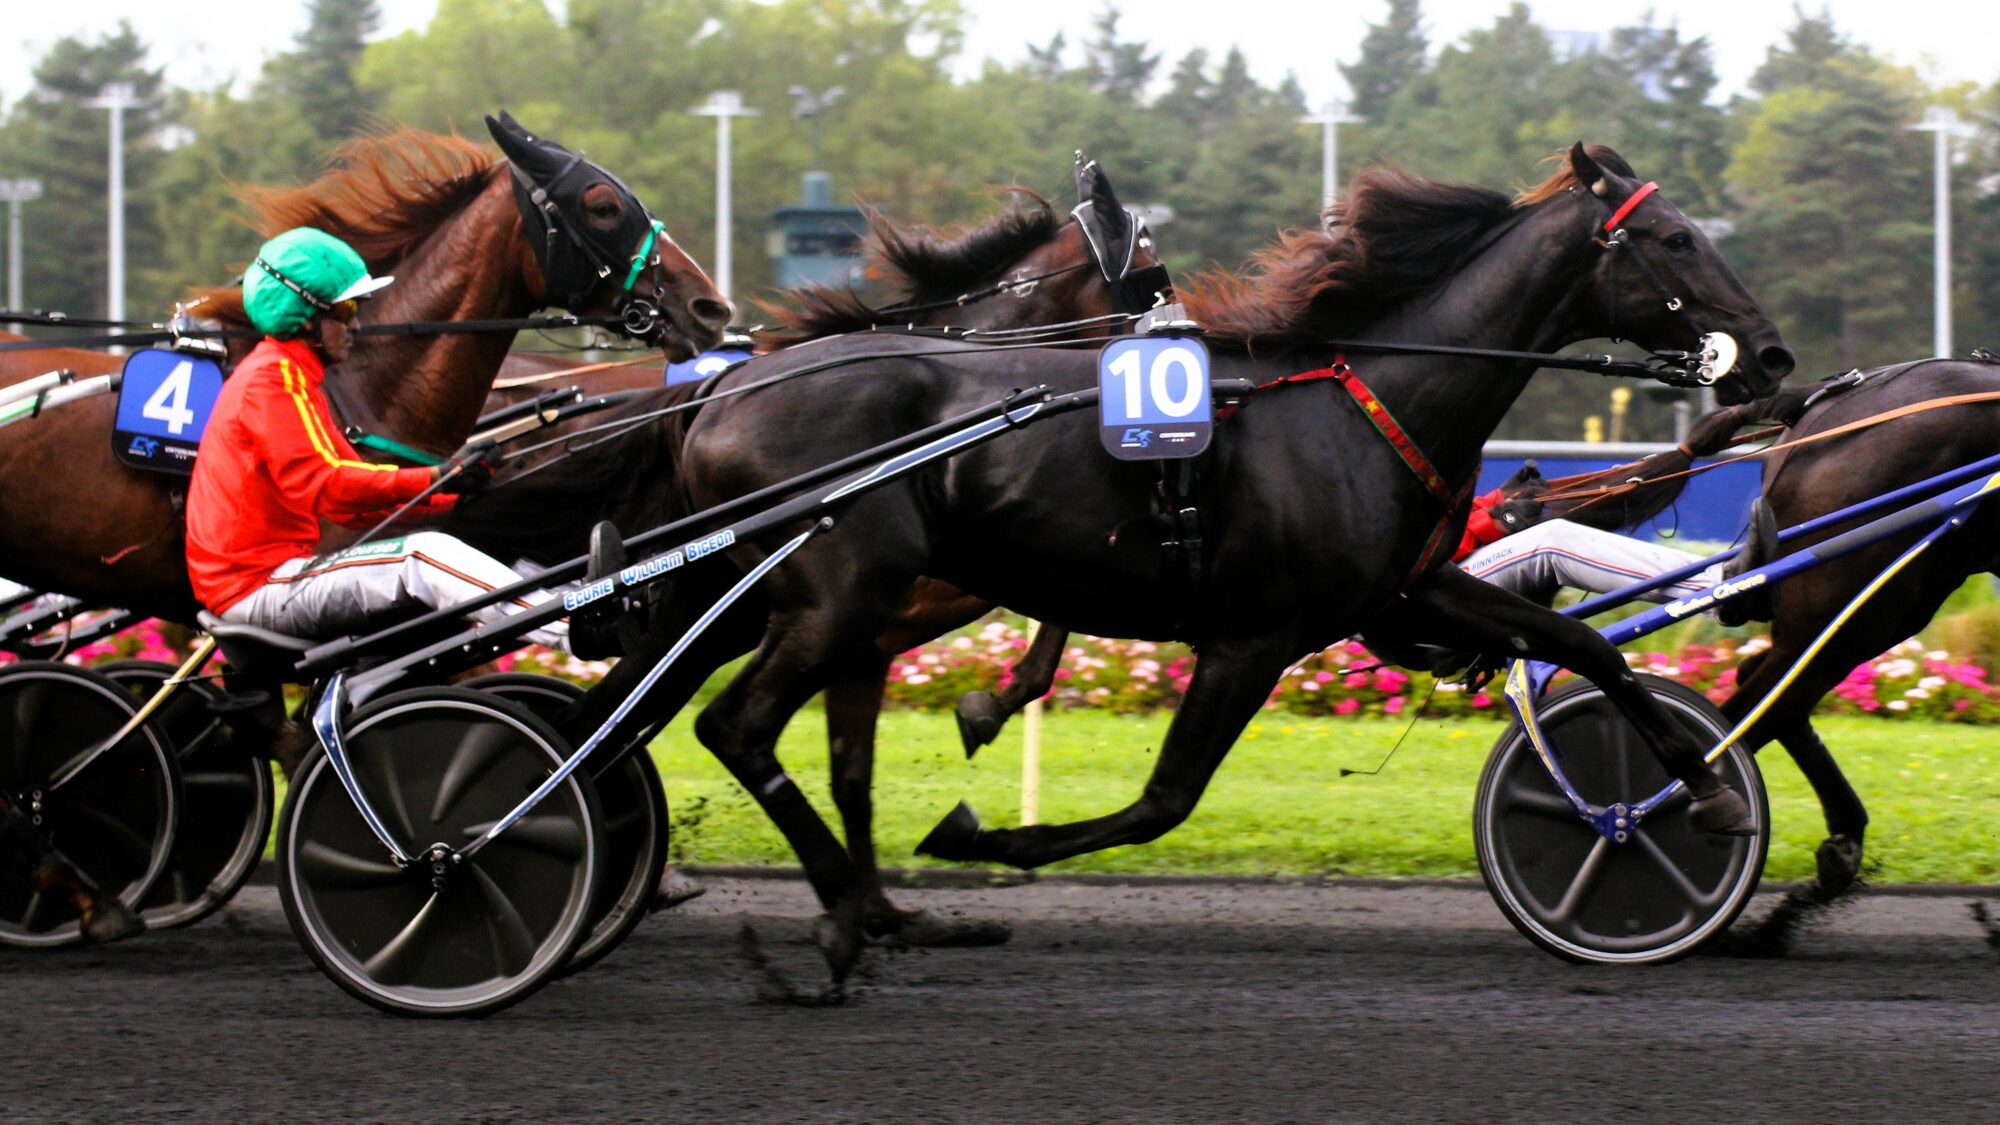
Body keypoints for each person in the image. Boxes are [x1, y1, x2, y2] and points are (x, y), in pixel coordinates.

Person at [186, 228, 566, 649]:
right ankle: (568, 630)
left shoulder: (291, 377)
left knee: (454, 542)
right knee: (422, 556)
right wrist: (436, 477)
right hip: (260, 588)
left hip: (270, 579)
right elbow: (330, 489)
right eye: (348, 311)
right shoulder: (273, 380)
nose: (358, 325)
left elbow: (353, 508)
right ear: (306, 317)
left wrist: (453, 496)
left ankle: (569, 601)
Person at [1453, 462, 1724, 607]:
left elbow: (1443, 514)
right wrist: (1493, 521)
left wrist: (1497, 501)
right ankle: (1718, 587)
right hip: (1429, 589)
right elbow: (1421, 542)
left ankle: (1718, 573)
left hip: (1452, 572)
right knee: (1552, 541)